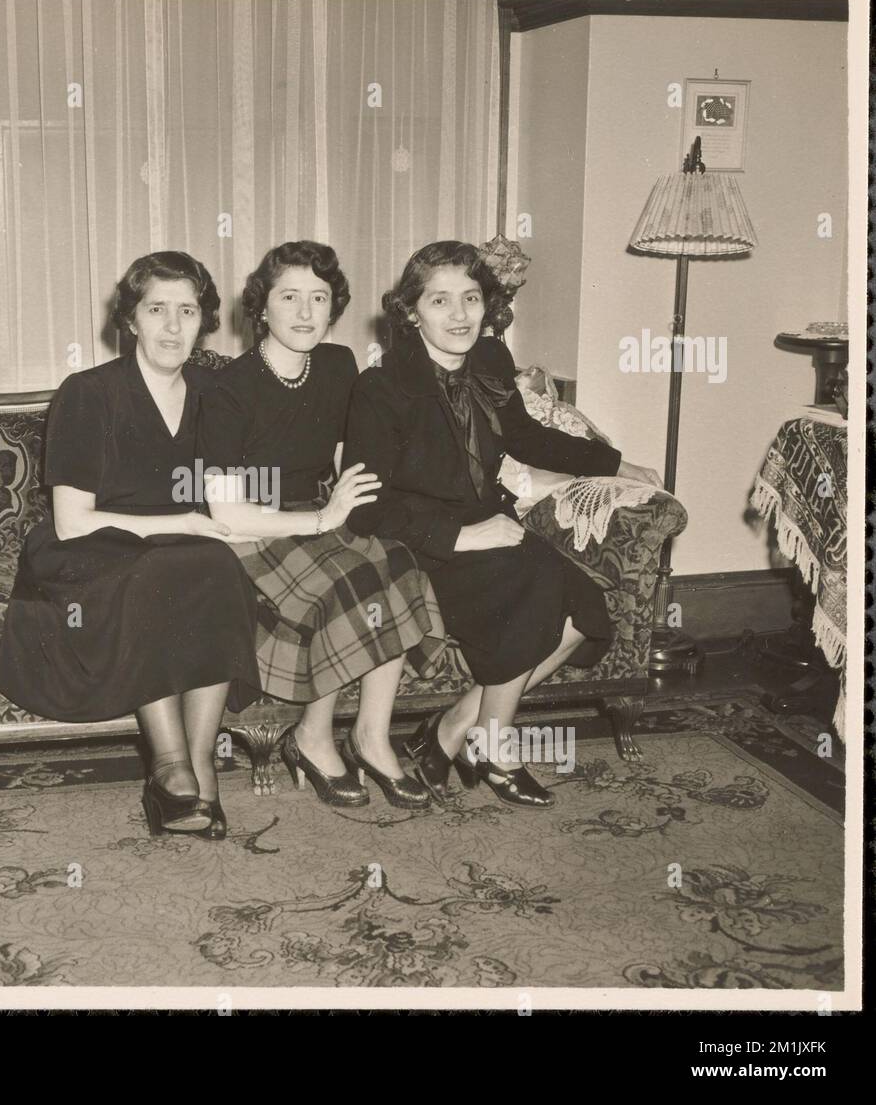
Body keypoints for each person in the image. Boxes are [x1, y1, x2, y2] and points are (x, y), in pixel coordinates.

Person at [344, 240, 662, 807]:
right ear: (411, 310)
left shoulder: (490, 362)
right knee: (536, 585)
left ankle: (451, 728)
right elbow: (369, 506)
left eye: (470, 298)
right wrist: (462, 536)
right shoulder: (380, 387)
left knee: (586, 611)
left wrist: (616, 462)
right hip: (417, 540)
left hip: (488, 523)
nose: (460, 315)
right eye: (440, 301)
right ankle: (494, 746)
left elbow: (526, 437)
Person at [0, 251, 260, 840]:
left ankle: (199, 772)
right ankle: (169, 767)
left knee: (215, 566)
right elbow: (71, 521)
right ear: (131, 320)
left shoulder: (214, 391)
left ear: (203, 320)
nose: (172, 326)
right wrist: (183, 524)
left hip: (182, 547)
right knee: (162, 571)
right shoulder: (88, 393)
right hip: (90, 547)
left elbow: (233, 489)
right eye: (156, 309)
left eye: (187, 311)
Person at [198, 241, 449, 811]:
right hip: (255, 528)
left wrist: (351, 514)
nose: (307, 312)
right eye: (290, 297)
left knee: (396, 560)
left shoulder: (338, 364)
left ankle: (370, 736)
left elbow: (348, 458)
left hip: (321, 516)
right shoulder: (227, 389)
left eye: (320, 298)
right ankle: (312, 738)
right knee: (347, 579)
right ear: (262, 308)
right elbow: (225, 512)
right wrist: (322, 519)